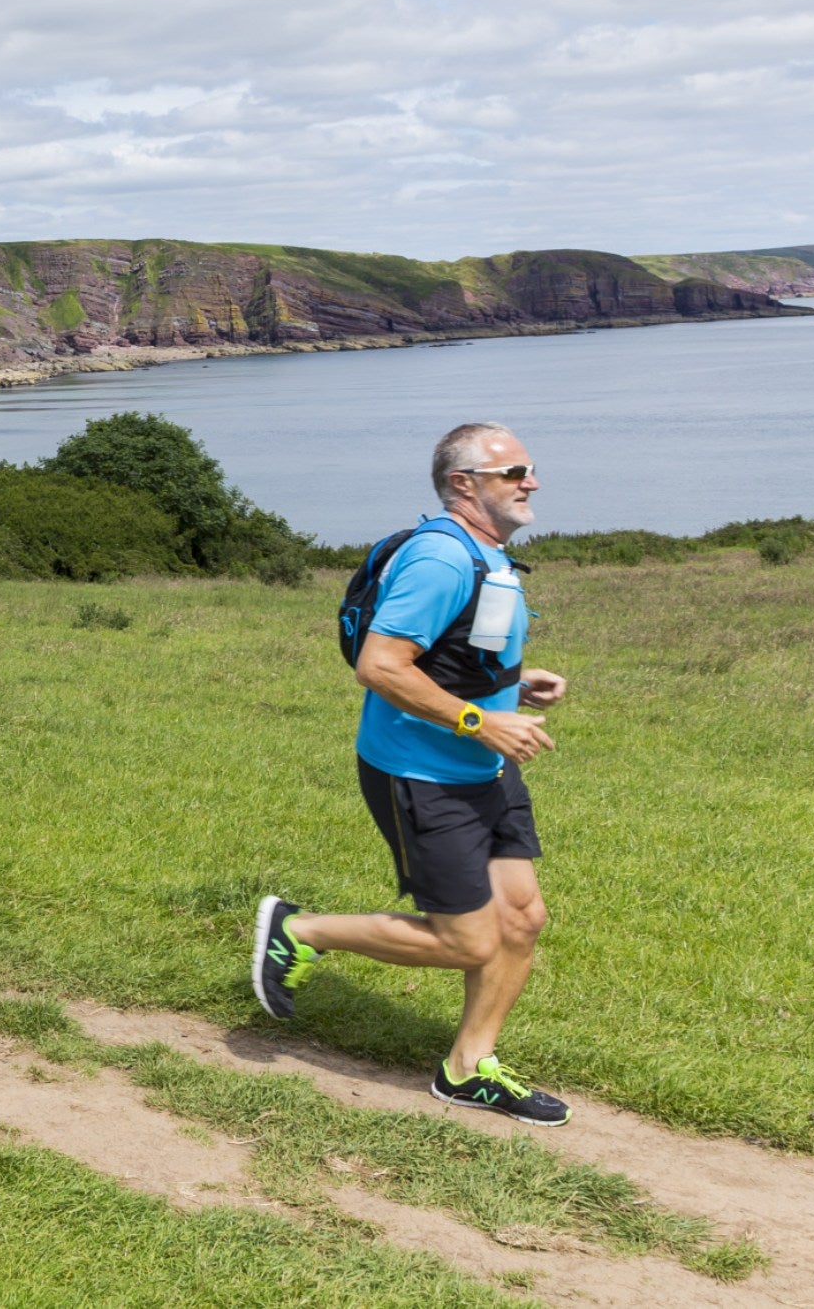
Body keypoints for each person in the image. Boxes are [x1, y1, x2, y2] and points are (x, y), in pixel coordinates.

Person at [254, 422, 571, 1126]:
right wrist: (480, 720)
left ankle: (467, 1070)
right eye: (514, 472)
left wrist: (508, 693)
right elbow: (381, 666)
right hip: (423, 771)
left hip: (481, 766)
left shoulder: (482, 554)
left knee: (521, 920)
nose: (532, 483)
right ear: (465, 485)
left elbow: (451, 658)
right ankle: (302, 931)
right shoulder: (442, 560)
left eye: (529, 470)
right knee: (467, 939)